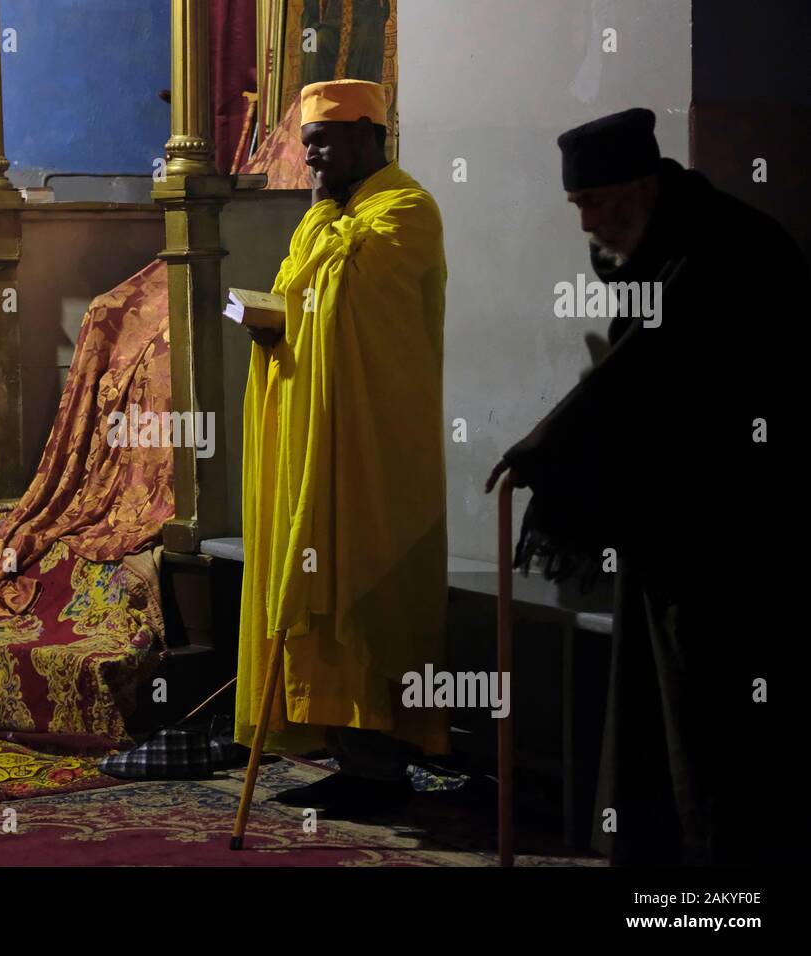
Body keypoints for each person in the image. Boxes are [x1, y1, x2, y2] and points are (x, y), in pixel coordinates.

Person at [485, 108, 800, 864]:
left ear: (636, 186)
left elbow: (644, 370)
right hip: (669, 515)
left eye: (593, 202)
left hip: (739, 518)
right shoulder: (647, 247)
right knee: (657, 711)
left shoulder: (721, 248)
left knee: (714, 713)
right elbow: (630, 377)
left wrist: (546, 448)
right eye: (578, 206)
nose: (586, 222)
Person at [236, 79, 450, 816]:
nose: (310, 153)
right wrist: (269, 322)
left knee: (370, 589)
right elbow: (303, 306)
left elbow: (357, 300)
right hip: (310, 434)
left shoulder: (405, 211)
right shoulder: (324, 220)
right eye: (307, 139)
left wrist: (316, 267)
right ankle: (347, 757)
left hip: (374, 444)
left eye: (324, 140)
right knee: (313, 588)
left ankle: (383, 765)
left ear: (370, 136)